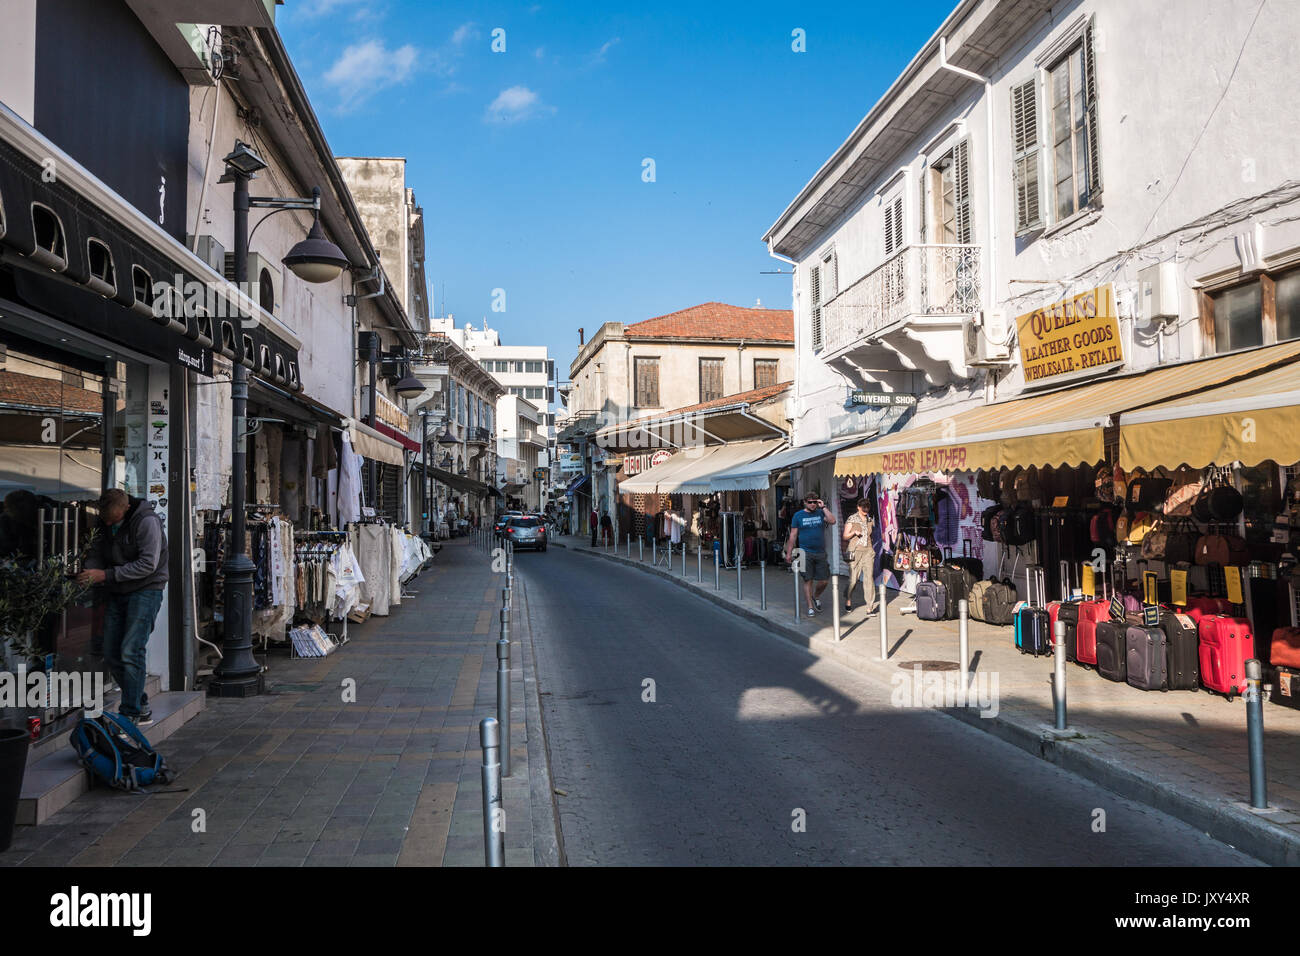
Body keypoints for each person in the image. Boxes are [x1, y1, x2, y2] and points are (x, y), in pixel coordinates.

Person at [77, 489, 168, 725]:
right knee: (110, 651)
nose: (108, 522)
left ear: (126, 509)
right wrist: (90, 571)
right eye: (105, 518)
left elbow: (148, 564)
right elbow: (96, 552)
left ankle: (130, 714)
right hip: (116, 589)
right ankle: (140, 701)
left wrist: (104, 575)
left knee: (131, 649)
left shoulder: (147, 522)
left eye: (112, 519)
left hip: (147, 588)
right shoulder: (103, 521)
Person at [785, 492, 836, 616]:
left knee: (824, 581)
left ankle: (816, 596)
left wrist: (823, 507)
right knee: (808, 580)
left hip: (820, 552)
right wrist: (789, 553)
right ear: (805, 502)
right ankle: (810, 607)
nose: (813, 504)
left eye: (815, 502)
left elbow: (833, 521)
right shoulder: (798, 516)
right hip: (804, 552)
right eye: (810, 502)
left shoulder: (820, 513)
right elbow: (793, 535)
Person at [842, 497, 877, 614]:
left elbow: (870, 535)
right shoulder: (852, 519)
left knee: (869, 579)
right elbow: (845, 536)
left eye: (867, 507)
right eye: (863, 507)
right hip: (855, 551)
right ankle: (848, 598)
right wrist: (854, 532)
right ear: (858, 507)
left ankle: (869, 606)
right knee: (853, 580)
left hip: (868, 551)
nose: (866, 509)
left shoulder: (870, 520)